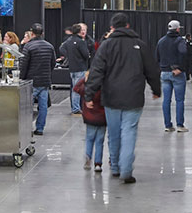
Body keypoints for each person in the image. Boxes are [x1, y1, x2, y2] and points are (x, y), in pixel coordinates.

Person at [84, 12, 160, 183]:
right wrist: (156, 89)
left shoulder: (106, 46)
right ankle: (126, 170)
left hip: (111, 98)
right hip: (134, 97)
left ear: (112, 28)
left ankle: (116, 167)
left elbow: (96, 71)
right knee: (129, 131)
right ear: (127, 26)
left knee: (114, 133)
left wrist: (89, 95)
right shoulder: (140, 45)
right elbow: (152, 70)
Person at [156, 18, 192, 133]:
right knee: (179, 100)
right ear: (177, 29)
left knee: (166, 100)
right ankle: (180, 125)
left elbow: (157, 57)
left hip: (164, 73)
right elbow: (184, 54)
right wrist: (180, 68)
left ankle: (168, 125)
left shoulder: (161, 41)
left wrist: (163, 68)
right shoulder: (180, 41)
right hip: (177, 73)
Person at [18, 23, 56, 135]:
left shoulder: (28, 46)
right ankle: (40, 128)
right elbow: (53, 63)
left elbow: (23, 64)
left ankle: (26, 128)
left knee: (27, 106)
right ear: (42, 33)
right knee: (43, 106)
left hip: (31, 81)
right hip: (45, 81)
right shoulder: (49, 46)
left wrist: (21, 78)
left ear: (32, 33)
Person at [79, 63, 108, 172]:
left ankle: (88, 158)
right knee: (100, 141)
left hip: (90, 118)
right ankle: (98, 164)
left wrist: (84, 80)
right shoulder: (104, 86)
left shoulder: (87, 88)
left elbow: (76, 88)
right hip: (102, 118)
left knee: (89, 139)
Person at [60, 23, 93, 113]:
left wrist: (69, 56)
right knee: (78, 89)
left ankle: (75, 107)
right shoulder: (81, 42)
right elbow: (86, 54)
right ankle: (76, 108)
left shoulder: (69, 40)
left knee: (74, 88)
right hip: (81, 67)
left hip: (72, 68)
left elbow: (61, 48)